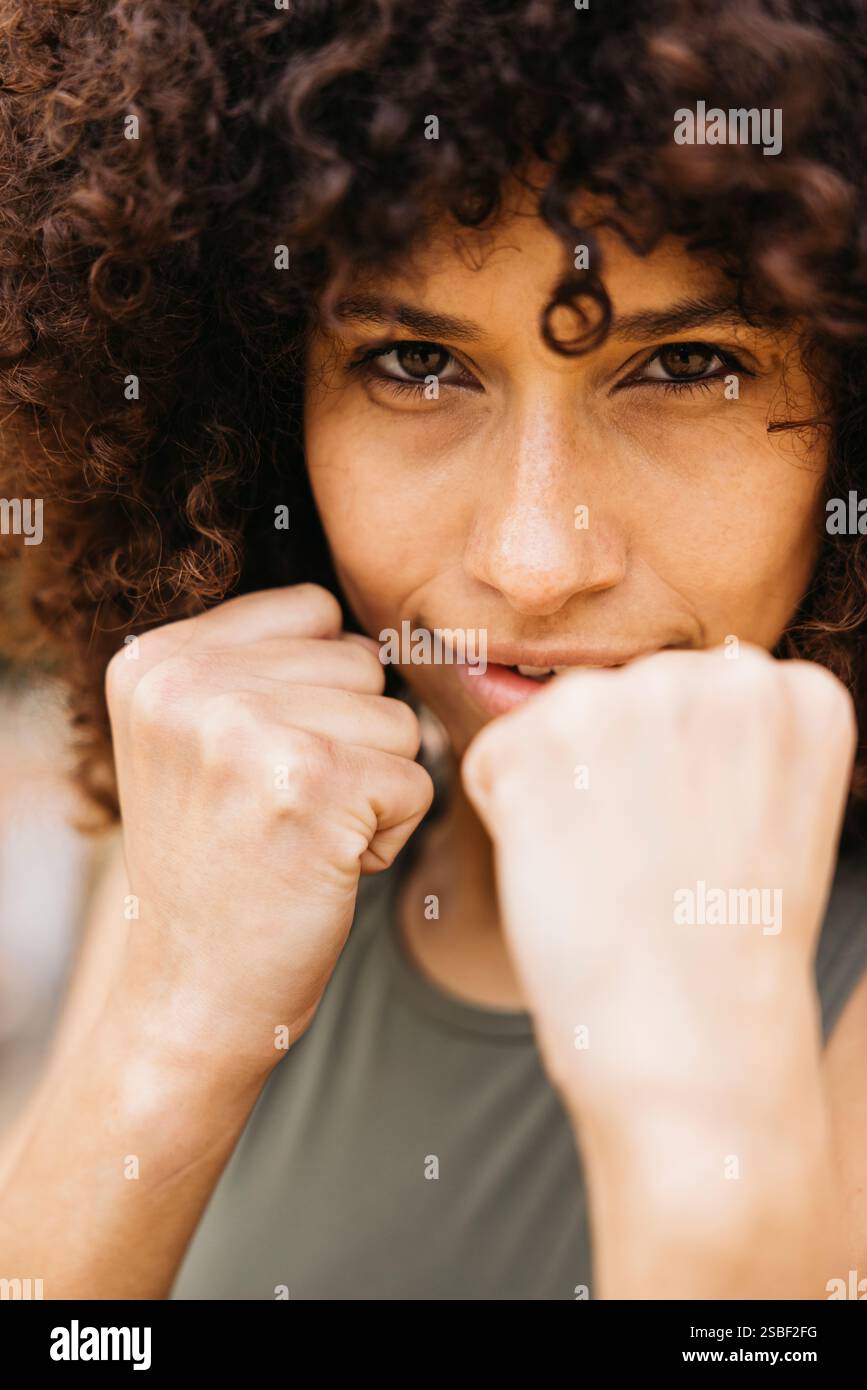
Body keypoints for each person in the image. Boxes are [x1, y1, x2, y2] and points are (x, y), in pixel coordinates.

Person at [1, 0, 866, 1300]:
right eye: (414, 361)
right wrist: (164, 1040)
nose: (533, 555)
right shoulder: (230, 804)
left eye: (687, 364)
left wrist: (706, 1134)